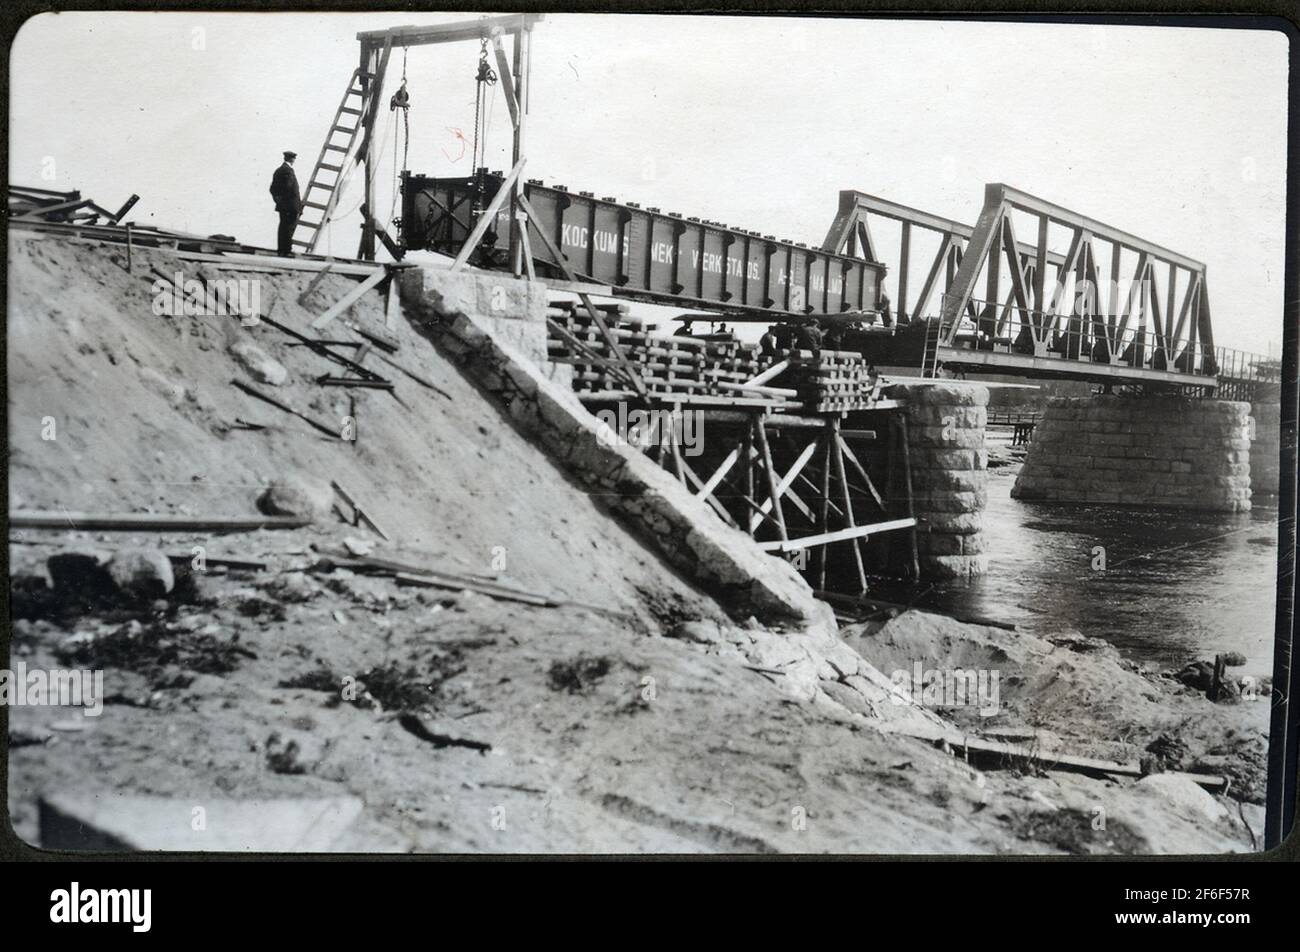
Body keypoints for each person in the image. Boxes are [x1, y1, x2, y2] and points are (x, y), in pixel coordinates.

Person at [270, 151, 303, 257]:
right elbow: (289, 188)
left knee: (283, 226)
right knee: (289, 227)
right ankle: (286, 250)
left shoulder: (279, 170)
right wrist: (290, 203)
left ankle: (282, 250)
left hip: (284, 205)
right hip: (290, 205)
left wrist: (278, 200)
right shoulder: (288, 171)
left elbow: (273, 188)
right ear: (292, 159)